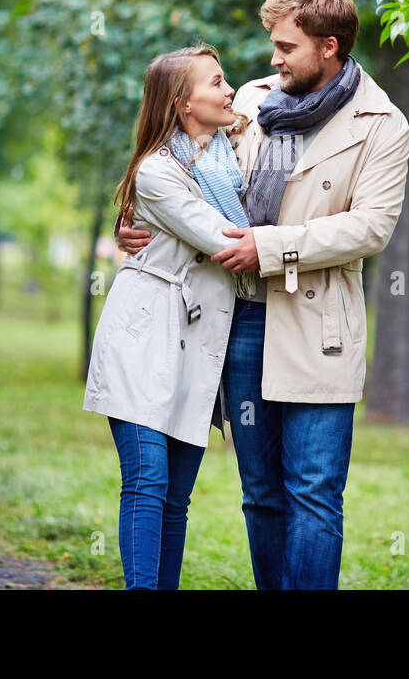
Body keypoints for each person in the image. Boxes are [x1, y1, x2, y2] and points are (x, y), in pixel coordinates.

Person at [118, 0, 409, 589]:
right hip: (243, 322)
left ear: (329, 47)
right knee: (262, 496)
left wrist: (271, 248)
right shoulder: (253, 102)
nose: (273, 59)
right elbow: (178, 165)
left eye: (286, 46)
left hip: (317, 326)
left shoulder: (383, 124)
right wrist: (131, 220)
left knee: (313, 494)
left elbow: (371, 226)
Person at [83, 43, 252, 589]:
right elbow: (222, 237)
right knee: (147, 481)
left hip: (195, 340)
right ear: (182, 103)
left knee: (176, 498)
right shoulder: (158, 171)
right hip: (143, 337)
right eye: (217, 82)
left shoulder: (227, 158)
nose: (230, 91)